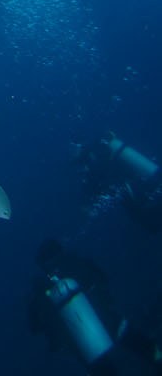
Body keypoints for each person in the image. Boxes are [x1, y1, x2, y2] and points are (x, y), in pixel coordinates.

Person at [28, 238, 162, 375]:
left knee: (102, 368)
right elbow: (102, 278)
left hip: (81, 342)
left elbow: (35, 326)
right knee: (138, 344)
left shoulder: (41, 288)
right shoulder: (75, 262)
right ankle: (156, 358)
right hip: (107, 320)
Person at [74, 132, 162, 234]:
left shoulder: (93, 156)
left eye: (72, 148)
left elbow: (95, 182)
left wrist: (86, 202)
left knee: (145, 219)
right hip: (134, 185)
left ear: (79, 146)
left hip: (129, 187)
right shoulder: (99, 152)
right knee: (145, 215)